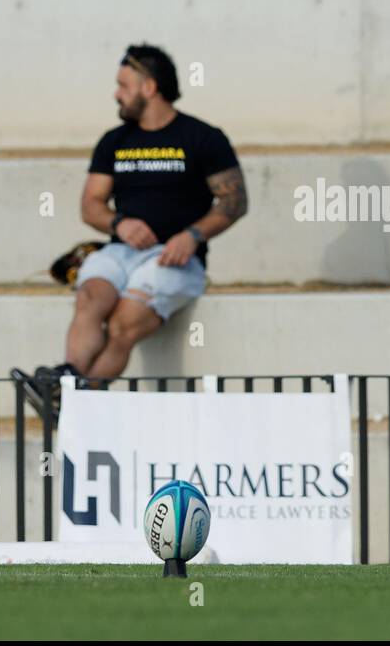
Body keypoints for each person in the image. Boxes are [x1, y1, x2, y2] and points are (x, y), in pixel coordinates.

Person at [16, 44, 247, 421]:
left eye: (123, 85)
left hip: (175, 261)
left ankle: (73, 401)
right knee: (92, 296)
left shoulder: (203, 137)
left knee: (123, 323)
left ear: (149, 87)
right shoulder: (114, 141)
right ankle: (68, 377)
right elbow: (91, 204)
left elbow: (234, 203)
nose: (116, 94)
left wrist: (192, 235)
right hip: (120, 252)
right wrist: (117, 223)